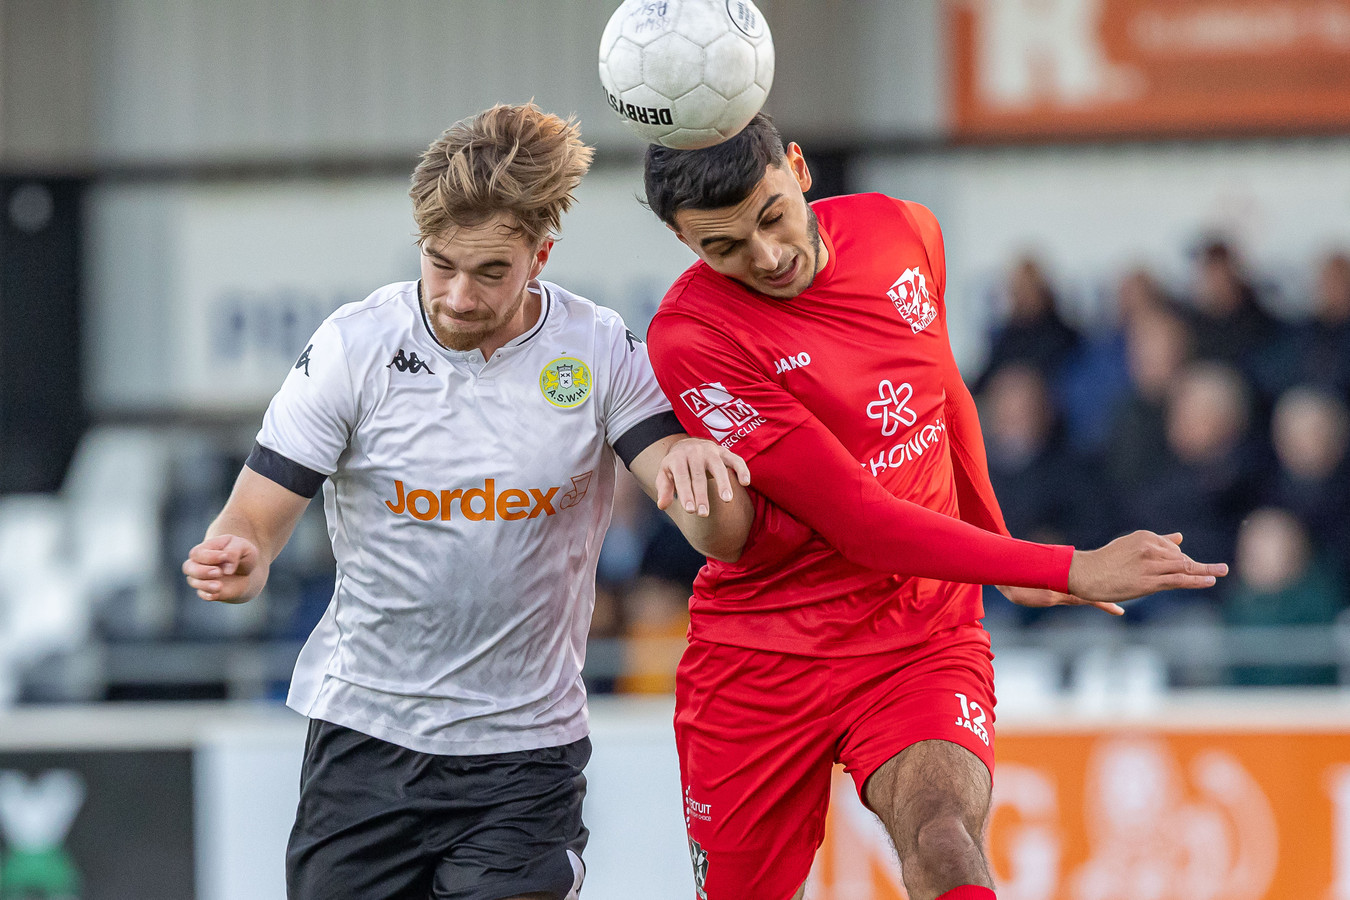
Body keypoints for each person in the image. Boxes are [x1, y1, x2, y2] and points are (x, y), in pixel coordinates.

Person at [640, 113, 1228, 900]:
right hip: (763, 654)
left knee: (944, 837)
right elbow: (857, 518)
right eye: (724, 248)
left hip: (919, 633)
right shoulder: (691, 337)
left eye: (771, 217)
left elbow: (941, 392)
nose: (766, 255)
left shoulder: (903, 229)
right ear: (685, 245)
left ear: (799, 167)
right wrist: (1069, 568)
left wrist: (1000, 546)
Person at [181, 103, 755, 900]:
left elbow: (709, 525)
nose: (457, 296)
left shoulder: (595, 350)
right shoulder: (356, 347)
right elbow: (253, 518)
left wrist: (698, 468)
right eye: (441, 264)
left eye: (490, 272)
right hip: (366, 741)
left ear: (540, 258)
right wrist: (239, 553)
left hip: (524, 756)